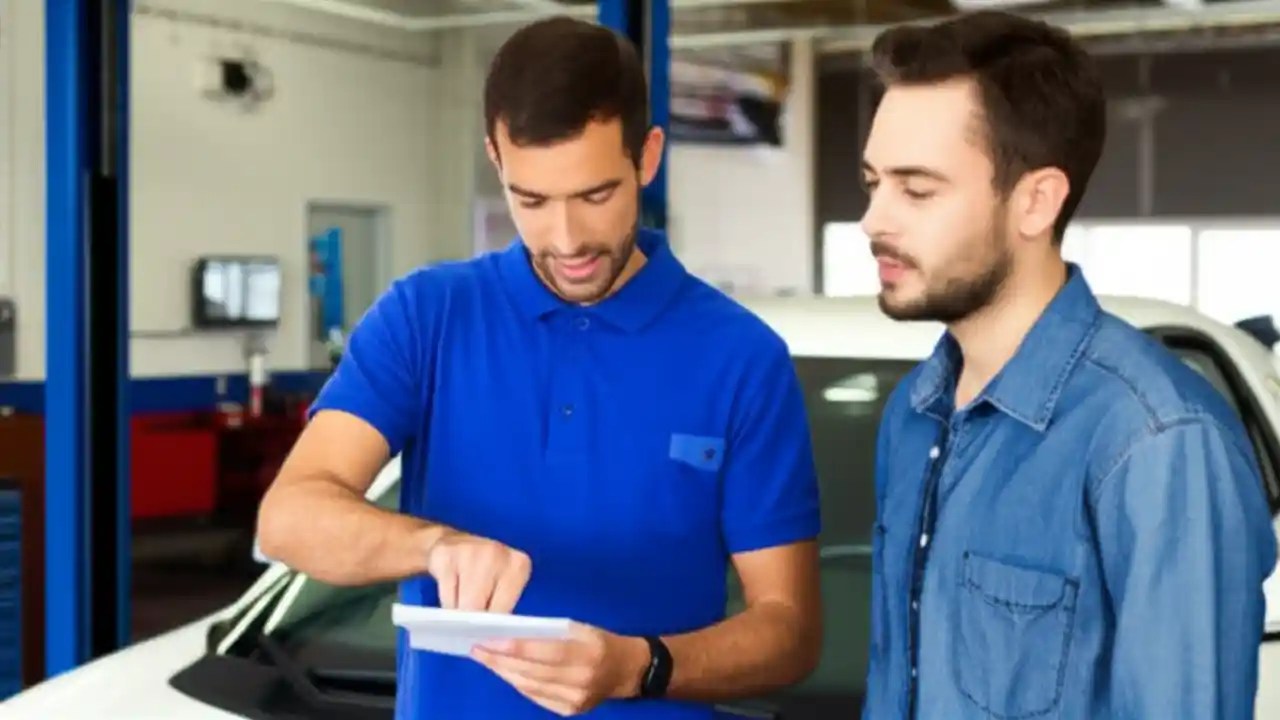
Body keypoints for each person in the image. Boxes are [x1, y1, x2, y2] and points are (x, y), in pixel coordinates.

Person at [256, 16, 823, 720]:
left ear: (646, 158)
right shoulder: (425, 317)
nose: (566, 240)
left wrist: (640, 667)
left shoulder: (741, 358)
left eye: (595, 196)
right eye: (531, 200)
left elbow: (790, 630)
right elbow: (290, 516)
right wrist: (434, 546)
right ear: (496, 159)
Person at [858, 11, 1277, 720]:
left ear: (1036, 201)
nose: (873, 220)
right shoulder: (916, 411)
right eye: (872, 183)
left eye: (917, 189)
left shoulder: (1155, 441)